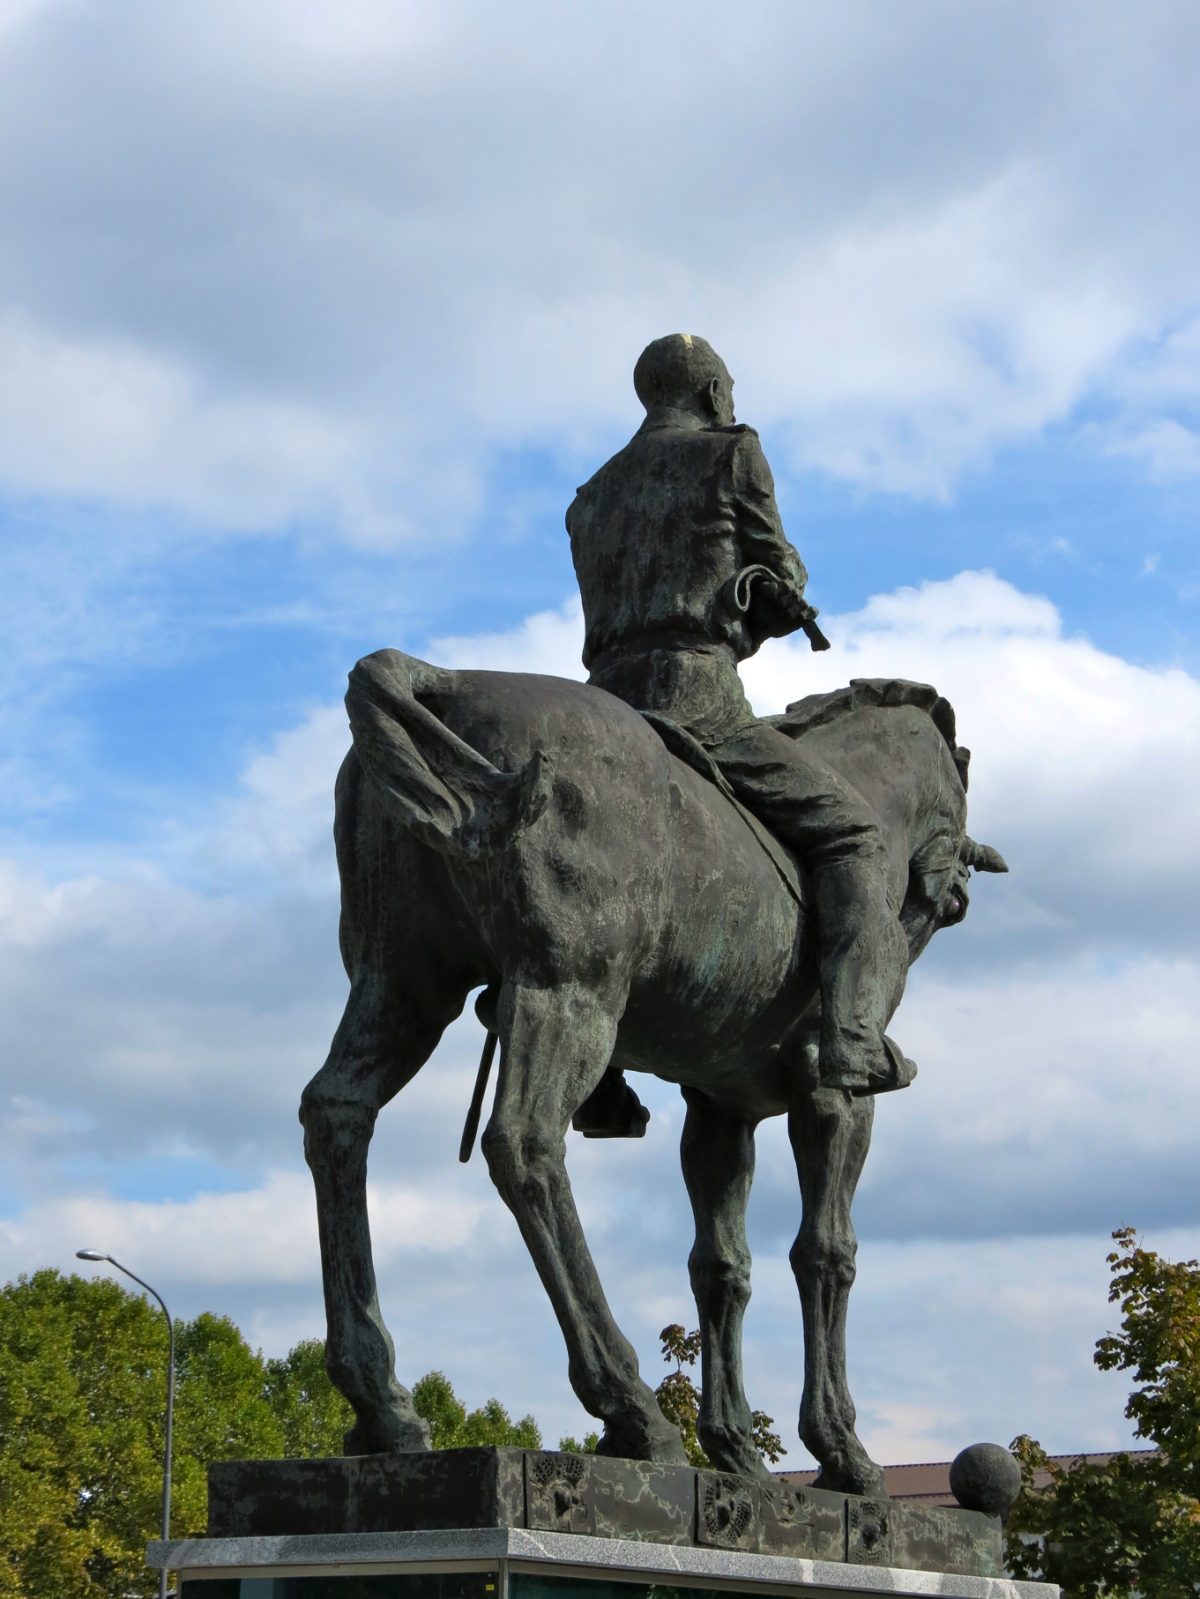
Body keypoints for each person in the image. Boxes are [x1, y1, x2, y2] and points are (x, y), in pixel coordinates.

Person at [566, 333, 910, 1097]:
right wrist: (771, 594)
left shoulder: (588, 496)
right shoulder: (732, 452)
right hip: (697, 700)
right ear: (716, 394)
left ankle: (598, 1075)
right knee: (853, 833)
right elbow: (777, 565)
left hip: (602, 704)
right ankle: (852, 1038)